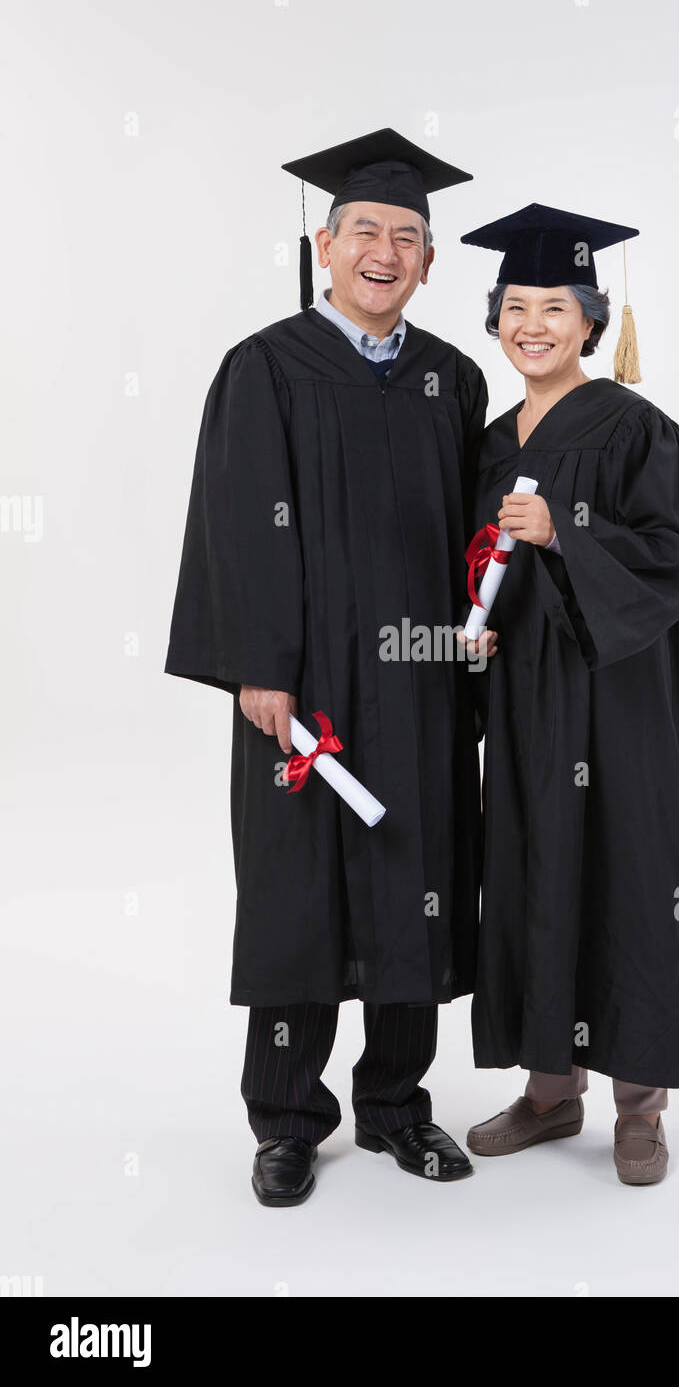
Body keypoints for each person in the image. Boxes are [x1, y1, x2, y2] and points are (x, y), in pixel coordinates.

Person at [165, 128, 494, 1205]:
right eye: (364, 230)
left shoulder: (453, 380)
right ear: (324, 242)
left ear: (430, 262)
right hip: (300, 692)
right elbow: (235, 527)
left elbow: (473, 538)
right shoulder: (263, 365)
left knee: (416, 881)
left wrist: (475, 645)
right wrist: (257, 669)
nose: (384, 250)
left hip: (416, 683)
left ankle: (397, 1105)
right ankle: (287, 1120)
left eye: (407, 235)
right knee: (297, 897)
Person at [459, 204, 679, 1184]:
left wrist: (562, 531)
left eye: (554, 308)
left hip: (620, 702)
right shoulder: (488, 442)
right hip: (527, 704)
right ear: (493, 320)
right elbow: (476, 563)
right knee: (532, 868)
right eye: (514, 307)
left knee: (626, 872)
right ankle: (547, 1091)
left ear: (590, 321)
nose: (532, 324)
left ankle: (640, 1106)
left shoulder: (633, 428)